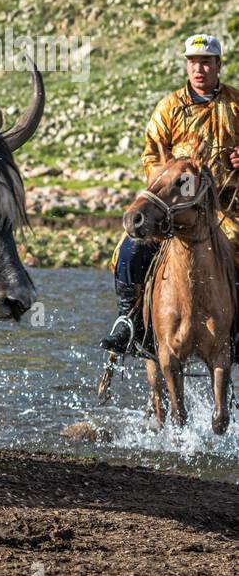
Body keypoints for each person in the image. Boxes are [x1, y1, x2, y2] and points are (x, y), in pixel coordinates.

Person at [100, 33, 239, 353]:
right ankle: (127, 320)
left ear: (218, 65)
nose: (199, 69)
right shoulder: (169, 108)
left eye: (206, 63)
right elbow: (151, 154)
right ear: (187, 67)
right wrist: (165, 182)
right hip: (173, 209)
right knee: (130, 250)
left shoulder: (236, 104)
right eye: (193, 63)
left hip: (225, 210)